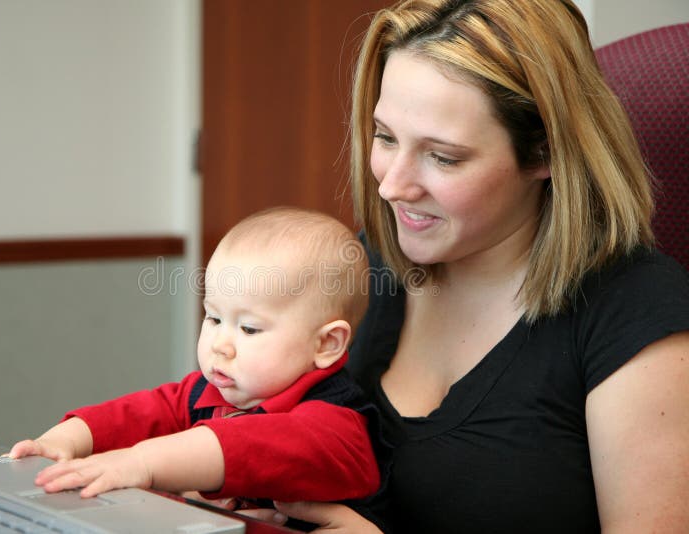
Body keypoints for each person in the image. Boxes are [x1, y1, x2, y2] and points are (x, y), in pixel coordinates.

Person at [245, 1, 689, 532]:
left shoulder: (636, 313)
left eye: (443, 157)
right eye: (386, 137)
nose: (392, 186)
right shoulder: (365, 268)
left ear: (546, 153)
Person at [8, 207, 381, 516]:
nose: (220, 345)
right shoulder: (209, 391)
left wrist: (142, 463)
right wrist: (66, 439)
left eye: (249, 329)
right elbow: (141, 413)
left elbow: (251, 445)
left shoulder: (338, 427)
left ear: (326, 344)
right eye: (214, 319)